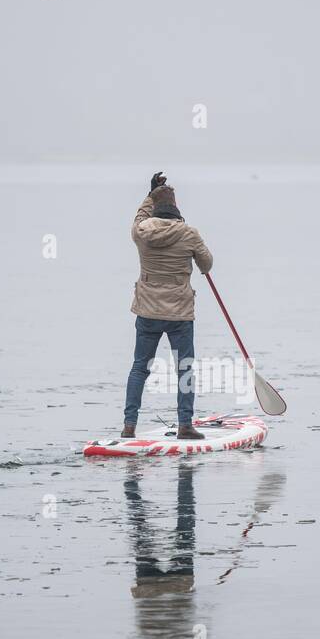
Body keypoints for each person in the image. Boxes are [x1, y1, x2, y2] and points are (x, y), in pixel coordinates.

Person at [123, 172, 213, 440]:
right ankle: (185, 425)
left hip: (147, 311)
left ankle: (129, 426)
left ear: (154, 209)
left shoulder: (141, 232)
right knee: (184, 367)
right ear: (176, 210)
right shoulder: (189, 234)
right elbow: (206, 265)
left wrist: (149, 195)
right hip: (180, 314)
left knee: (140, 368)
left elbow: (140, 217)